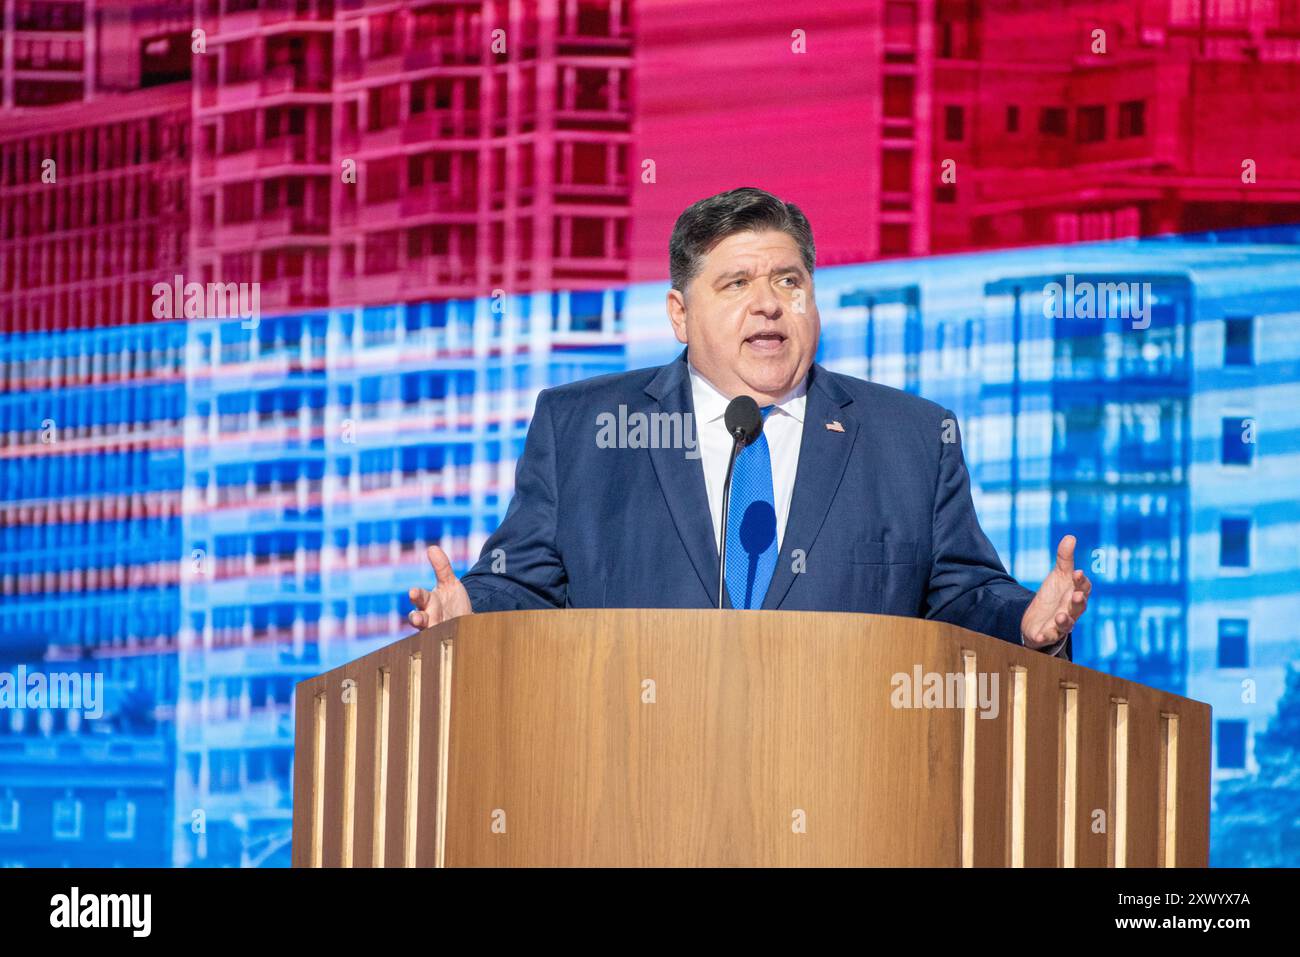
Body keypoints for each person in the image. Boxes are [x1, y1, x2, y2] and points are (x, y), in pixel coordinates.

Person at [407, 186, 1090, 657]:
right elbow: (526, 586)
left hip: (849, 798)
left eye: (789, 282)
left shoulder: (910, 438)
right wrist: (469, 612)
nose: (769, 304)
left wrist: (1030, 623)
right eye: (737, 284)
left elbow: (964, 598)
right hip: (634, 797)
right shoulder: (583, 429)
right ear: (678, 312)